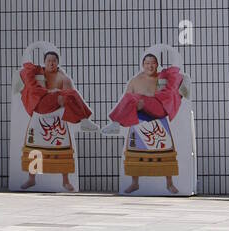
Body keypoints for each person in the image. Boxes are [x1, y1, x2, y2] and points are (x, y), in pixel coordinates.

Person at [104, 52, 188, 195]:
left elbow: (179, 80)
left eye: (153, 62)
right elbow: (126, 100)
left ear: (157, 64)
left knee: (165, 151)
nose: (150, 65)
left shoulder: (162, 77)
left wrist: (180, 87)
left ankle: (170, 183)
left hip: (158, 112)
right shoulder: (135, 80)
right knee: (135, 152)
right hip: (140, 119)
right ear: (142, 65)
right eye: (147, 63)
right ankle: (135, 183)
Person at [16, 50, 93, 192]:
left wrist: (57, 93)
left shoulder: (63, 78)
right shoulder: (38, 74)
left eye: (54, 60)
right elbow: (27, 83)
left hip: (57, 117)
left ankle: (65, 181)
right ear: (44, 62)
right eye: (48, 60)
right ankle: (31, 179)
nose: (51, 63)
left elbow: (70, 99)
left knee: (62, 150)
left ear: (58, 63)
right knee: (34, 149)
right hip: (39, 115)